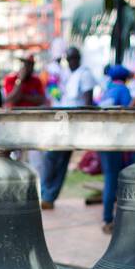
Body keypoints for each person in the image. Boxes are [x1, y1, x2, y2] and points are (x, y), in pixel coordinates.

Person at [39, 47, 96, 209]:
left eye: (72, 58)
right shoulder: (69, 75)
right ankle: (48, 196)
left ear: (78, 58)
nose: (70, 62)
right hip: (63, 122)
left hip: (72, 125)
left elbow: (87, 103)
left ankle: (48, 195)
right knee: (56, 160)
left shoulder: (85, 74)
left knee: (54, 158)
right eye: (68, 59)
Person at [96, 64, 135, 233]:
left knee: (110, 176)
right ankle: (110, 219)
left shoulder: (107, 90)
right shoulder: (123, 90)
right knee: (114, 178)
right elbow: (129, 111)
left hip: (102, 138)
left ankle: (108, 218)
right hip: (115, 139)